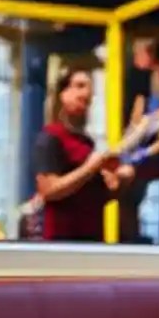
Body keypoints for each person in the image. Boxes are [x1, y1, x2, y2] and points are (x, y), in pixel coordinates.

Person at [33, 67, 134, 242]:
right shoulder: (51, 137)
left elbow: (96, 196)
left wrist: (120, 179)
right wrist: (90, 167)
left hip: (91, 239)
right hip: (62, 241)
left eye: (89, 88)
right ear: (62, 93)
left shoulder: (87, 143)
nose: (85, 93)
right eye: (79, 86)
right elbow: (48, 189)